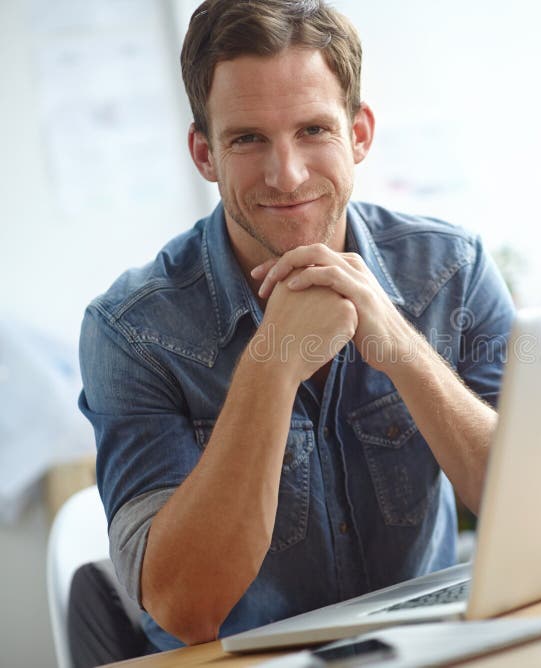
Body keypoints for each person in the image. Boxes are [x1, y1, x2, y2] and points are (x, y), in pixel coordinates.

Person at [77, 0, 515, 656]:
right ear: (204, 153)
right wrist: (272, 363)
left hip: (430, 650)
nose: (288, 175)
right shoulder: (131, 332)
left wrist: (399, 347)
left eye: (313, 129)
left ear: (359, 134)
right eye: (248, 139)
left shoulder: (453, 270)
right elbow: (185, 606)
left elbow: (534, 510)